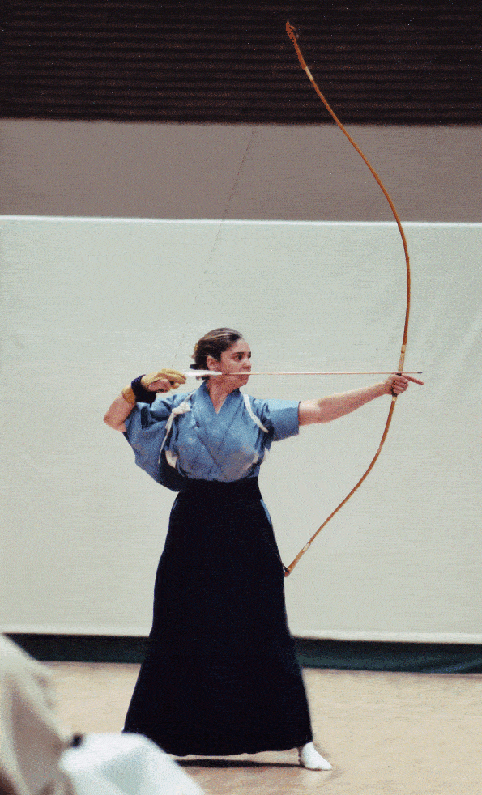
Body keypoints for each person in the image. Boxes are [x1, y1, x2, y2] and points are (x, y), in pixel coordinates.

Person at [104, 328, 423, 770]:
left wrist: (381, 387)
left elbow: (320, 410)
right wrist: (137, 387)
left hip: (244, 522)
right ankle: (150, 738)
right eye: (239, 357)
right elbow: (115, 418)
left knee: (264, 625)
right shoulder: (176, 407)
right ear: (212, 364)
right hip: (193, 523)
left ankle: (299, 739)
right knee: (178, 623)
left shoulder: (257, 411)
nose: (248, 364)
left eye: (250, 356)